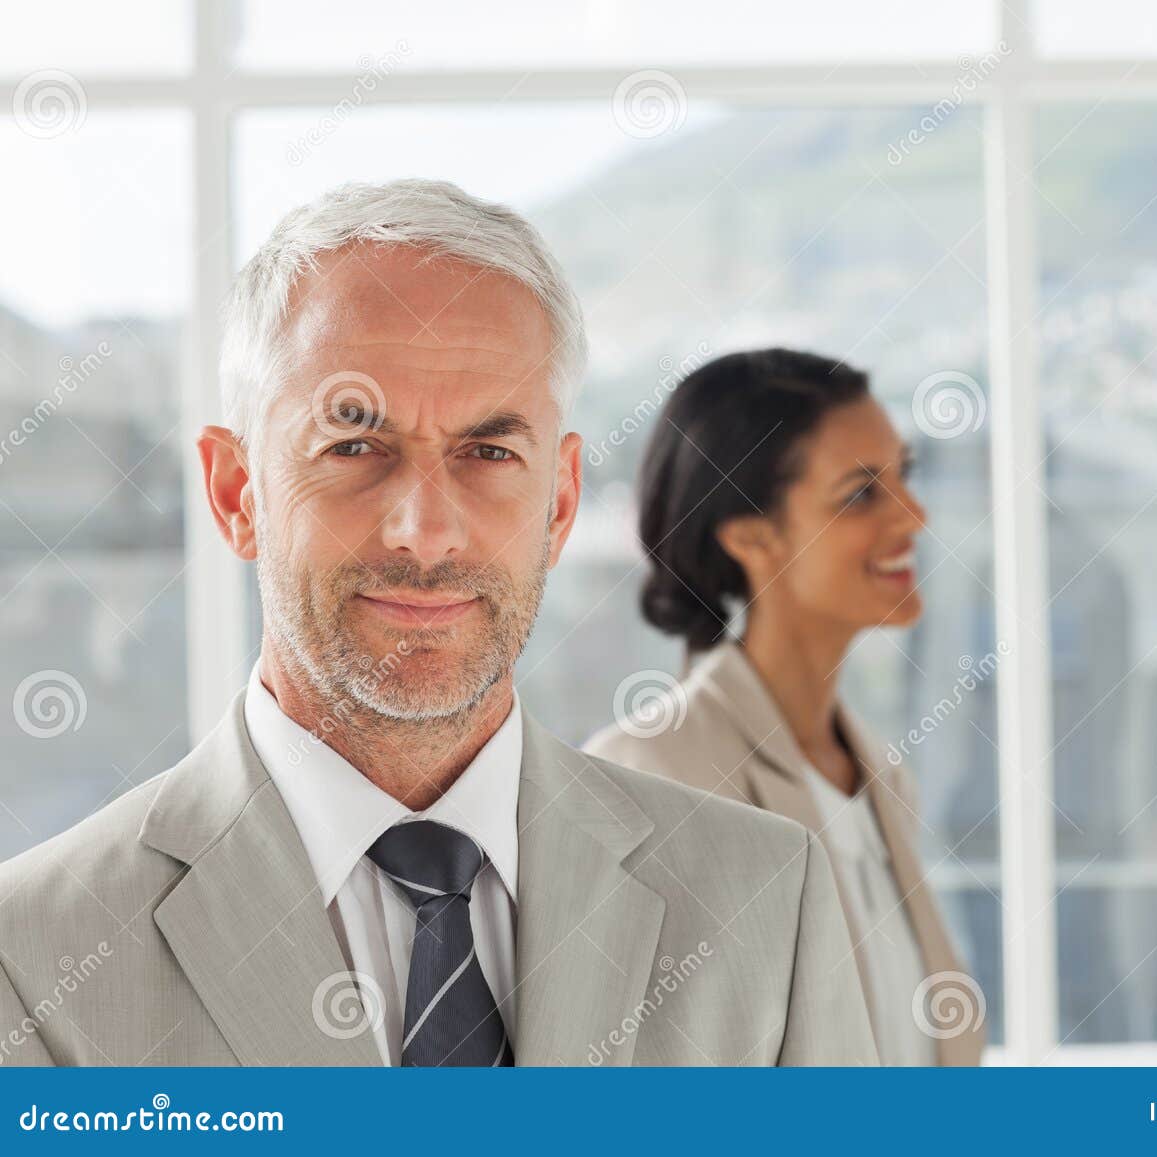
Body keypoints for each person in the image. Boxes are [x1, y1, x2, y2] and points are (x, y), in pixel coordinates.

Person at [0, 181, 876, 1067]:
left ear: (561, 501)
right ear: (237, 494)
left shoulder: (767, 901)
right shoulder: (35, 957)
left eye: (489, 452)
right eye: (353, 445)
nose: (426, 530)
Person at [585, 349, 984, 1066]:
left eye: (906, 476)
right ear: (748, 534)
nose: (913, 515)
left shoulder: (881, 779)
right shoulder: (651, 771)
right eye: (863, 494)